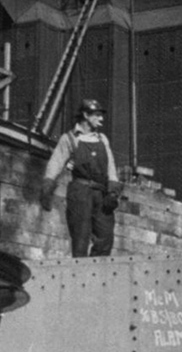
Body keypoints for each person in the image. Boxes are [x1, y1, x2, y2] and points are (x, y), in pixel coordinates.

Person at [40, 99, 122, 257]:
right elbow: (55, 163)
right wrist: (47, 187)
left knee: (105, 238)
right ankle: (80, 275)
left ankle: (97, 276)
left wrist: (112, 192)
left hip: (101, 193)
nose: (101, 119)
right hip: (79, 193)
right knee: (80, 238)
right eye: (97, 115)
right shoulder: (69, 139)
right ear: (85, 115)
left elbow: (110, 165)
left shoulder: (102, 139)